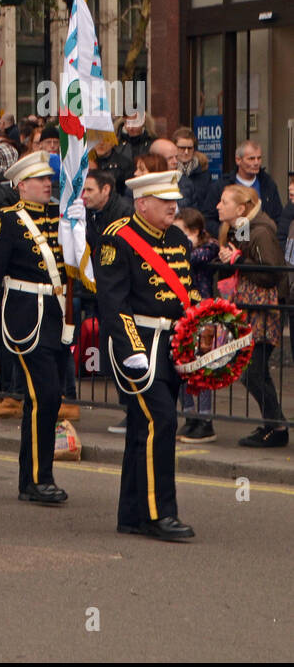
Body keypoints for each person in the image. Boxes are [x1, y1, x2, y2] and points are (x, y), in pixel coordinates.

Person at [94, 170, 198, 540]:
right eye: (165, 201)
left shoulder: (176, 238)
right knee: (162, 421)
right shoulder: (117, 239)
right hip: (137, 345)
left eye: (174, 201)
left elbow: (188, 290)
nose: (173, 206)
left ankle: (133, 513)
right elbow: (112, 302)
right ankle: (159, 514)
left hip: (170, 345)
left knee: (143, 428)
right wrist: (131, 351)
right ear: (142, 204)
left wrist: (207, 322)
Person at [0, 152, 71, 505]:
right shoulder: (7, 220)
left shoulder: (61, 217)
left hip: (56, 317)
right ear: (21, 185)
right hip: (25, 317)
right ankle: (39, 477)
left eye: (50, 180)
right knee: (44, 395)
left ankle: (32, 478)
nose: (48, 185)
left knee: (44, 397)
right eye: (40, 180)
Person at [215, 184, 288, 448]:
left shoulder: (261, 231)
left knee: (252, 372)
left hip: (264, 311)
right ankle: (275, 424)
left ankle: (277, 425)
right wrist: (231, 256)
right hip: (250, 310)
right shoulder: (244, 227)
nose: (218, 206)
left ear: (241, 208)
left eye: (224, 201)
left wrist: (236, 260)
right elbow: (243, 255)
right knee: (253, 371)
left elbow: (272, 273)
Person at [174, 208, 218, 443]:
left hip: (203, 313)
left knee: (202, 367)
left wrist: (183, 245)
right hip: (183, 311)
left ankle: (205, 419)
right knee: (182, 364)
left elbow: (194, 258)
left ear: (194, 232)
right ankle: (189, 415)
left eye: (180, 232)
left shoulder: (208, 247)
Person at [203, 140, 283, 236]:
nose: (256, 162)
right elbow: (208, 219)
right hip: (230, 243)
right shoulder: (222, 185)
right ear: (238, 160)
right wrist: (227, 234)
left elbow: (278, 217)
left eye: (259, 158)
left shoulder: (268, 184)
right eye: (251, 159)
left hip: (261, 239)